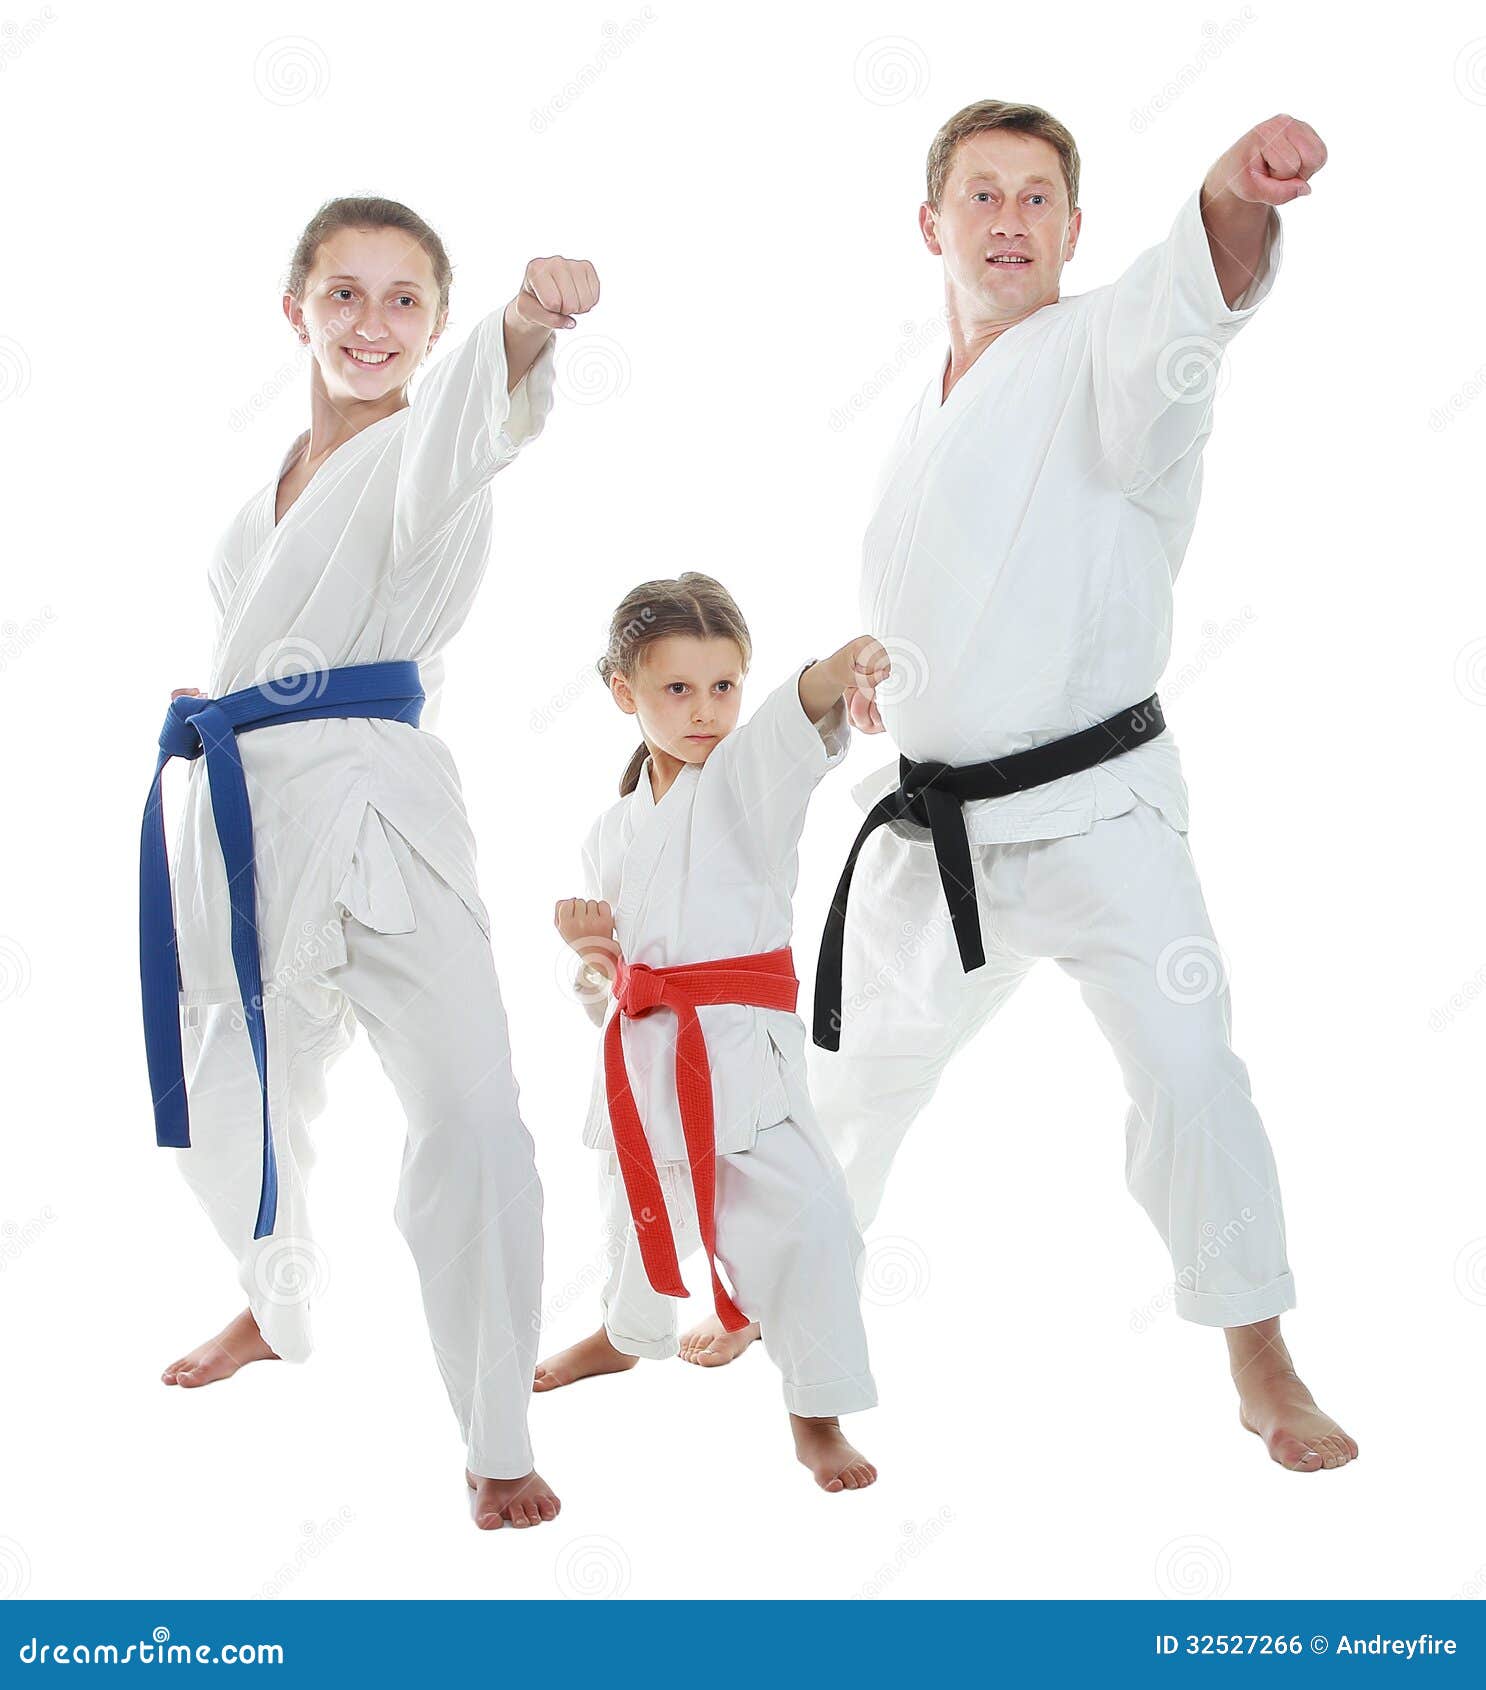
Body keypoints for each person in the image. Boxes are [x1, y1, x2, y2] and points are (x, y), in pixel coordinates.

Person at [678, 104, 1357, 1475]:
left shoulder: (1105, 350)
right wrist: (885, 675)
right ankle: (772, 1286)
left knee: (1188, 1068)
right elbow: (958, 585)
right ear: (929, 225)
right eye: (979, 194)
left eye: (1035, 197)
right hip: (937, 828)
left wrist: (1233, 192)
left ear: (1073, 229)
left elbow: (1191, 302)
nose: (1007, 219)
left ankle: (1258, 1352)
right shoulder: (924, 408)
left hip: (1101, 813)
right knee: (849, 1084)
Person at [144, 195, 599, 1527]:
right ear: (296, 310)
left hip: (384, 814)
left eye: (406, 300)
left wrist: (525, 325)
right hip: (250, 813)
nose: (372, 323)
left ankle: (496, 1435)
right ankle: (275, 1301)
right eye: (344, 293)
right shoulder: (261, 501)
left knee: (471, 1116)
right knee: (225, 1103)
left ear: (438, 329)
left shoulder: (427, 447)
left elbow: (479, 417)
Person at [536, 573, 883, 1492]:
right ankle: (625, 1335)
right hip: (646, 1055)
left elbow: (795, 711)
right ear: (625, 693)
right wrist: (589, 950)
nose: (705, 710)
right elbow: (608, 989)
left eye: (722, 685)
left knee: (810, 1224)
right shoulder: (610, 832)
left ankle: (816, 1412)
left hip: (740, 1053)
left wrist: (847, 663)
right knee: (634, 1214)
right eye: (678, 688)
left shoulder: (744, 780)